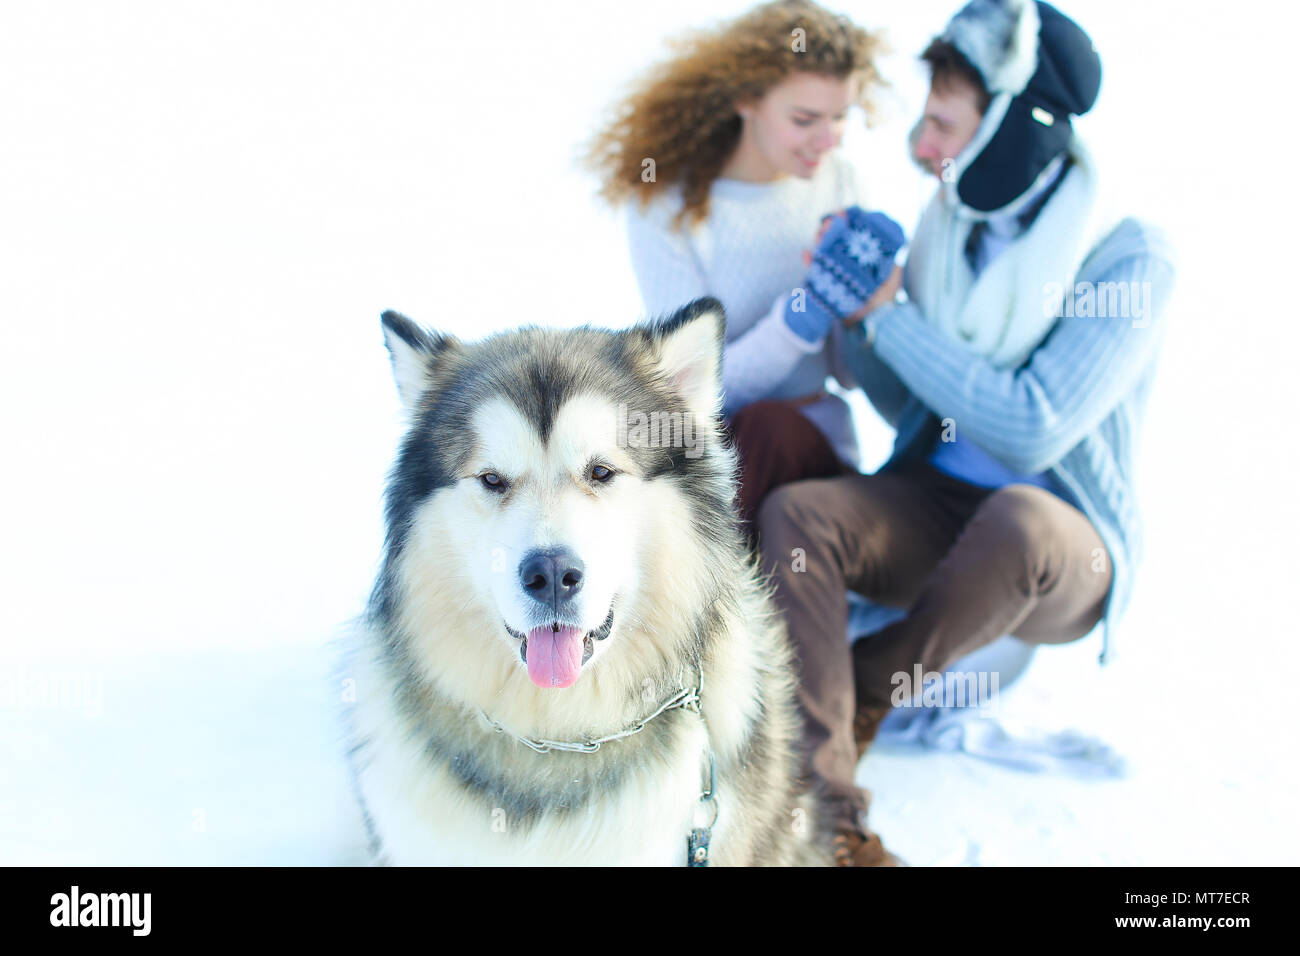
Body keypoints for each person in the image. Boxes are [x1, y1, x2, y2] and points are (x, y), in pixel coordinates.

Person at [757, 0, 1177, 866]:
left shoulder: (1127, 258)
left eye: (943, 123)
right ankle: (827, 823)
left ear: (1014, 128)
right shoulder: (946, 232)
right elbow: (904, 403)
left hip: (1064, 548)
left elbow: (1033, 428)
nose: (921, 145)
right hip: (938, 504)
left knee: (1018, 517)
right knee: (800, 516)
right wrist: (856, 314)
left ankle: (866, 686)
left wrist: (895, 316)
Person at [585, 0, 903, 531]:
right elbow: (691, 390)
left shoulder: (839, 183)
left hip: (816, 452)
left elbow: (847, 377)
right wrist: (805, 311)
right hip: (717, 460)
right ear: (746, 100)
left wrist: (867, 313)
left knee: (773, 429)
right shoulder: (666, 207)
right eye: (805, 119)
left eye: (840, 118)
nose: (826, 140)